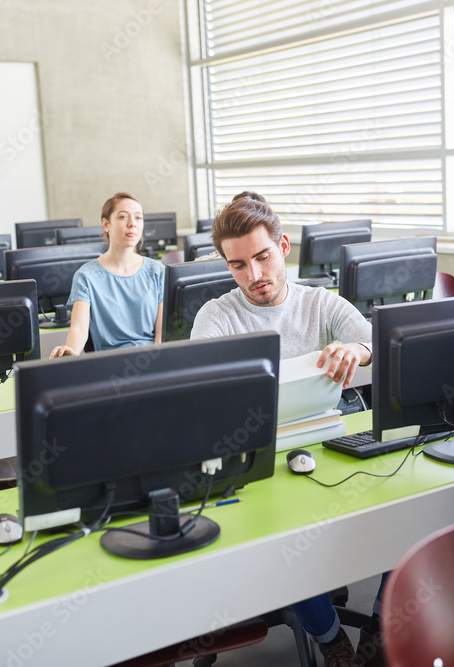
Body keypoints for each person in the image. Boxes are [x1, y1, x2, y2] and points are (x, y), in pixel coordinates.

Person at [191, 191, 380, 667]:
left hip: (329, 444)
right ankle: (332, 638)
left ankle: (381, 630)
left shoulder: (320, 303)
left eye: (262, 257)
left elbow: (373, 339)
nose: (254, 276)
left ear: (284, 246)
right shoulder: (217, 316)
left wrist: (357, 351)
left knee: (404, 511)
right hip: (259, 459)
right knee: (283, 537)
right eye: (237, 266)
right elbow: (196, 390)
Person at [49, 192, 163, 356]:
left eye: (138, 218)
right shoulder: (86, 276)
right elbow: (79, 328)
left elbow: (161, 337)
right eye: (123, 217)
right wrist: (71, 351)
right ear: (106, 224)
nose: (132, 224)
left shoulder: (158, 271)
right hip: (108, 365)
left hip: (150, 362)